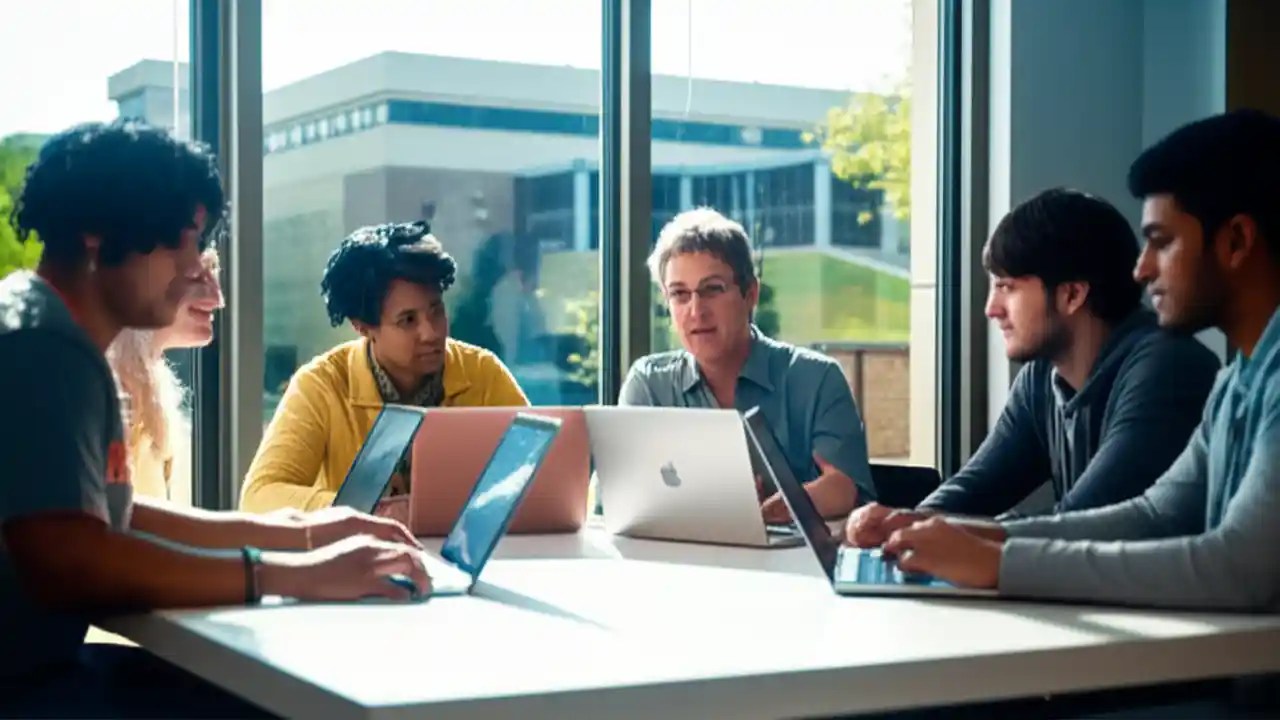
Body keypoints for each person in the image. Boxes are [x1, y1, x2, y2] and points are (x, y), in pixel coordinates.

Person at [0, 121, 430, 717]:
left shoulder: (48, 330)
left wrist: (303, 534)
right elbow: (71, 559)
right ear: (99, 237)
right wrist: (293, 574)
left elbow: (113, 517)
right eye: (180, 243)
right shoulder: (41, 348)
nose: (194, 267)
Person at [868, 109, 1280, 613]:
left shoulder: (1179, 368)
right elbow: (1154, 514)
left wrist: (998, 562)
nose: (1141, 269)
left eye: (1161, 242)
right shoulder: (1239, 380)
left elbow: (1241, 568)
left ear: (1236, 241)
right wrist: (947, 532)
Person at [847, 188, 1220, 545]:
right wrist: (901, 530)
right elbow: (975, 489)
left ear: (1072, 294)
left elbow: (1083, 521)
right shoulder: (1042, 377)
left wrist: (936, 535)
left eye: (1007, 287)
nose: (991, 309)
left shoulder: (1167, 369)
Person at [240, 221, 530, 514]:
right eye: (408, 320)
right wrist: (365, 510)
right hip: (360, 554)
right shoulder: (321, 385)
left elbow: (538, 469)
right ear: (363, 327)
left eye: (436, 310)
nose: (430, 332)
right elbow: (260, 496)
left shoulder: (482, 373)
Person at [620, 207, 873, 522]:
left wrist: (785, 506)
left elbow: (844, 490)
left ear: (750, 293)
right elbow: (618, 498)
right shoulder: (648, 384)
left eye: (712, 289)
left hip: (789, 565)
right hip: (679, 563)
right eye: (680, 294)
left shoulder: (817, 378)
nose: (696, 311)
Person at [107, 248, 224, 504]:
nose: (219, 299)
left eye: (213, 271)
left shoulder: (156, 385)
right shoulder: (107, 387)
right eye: (196, 275)